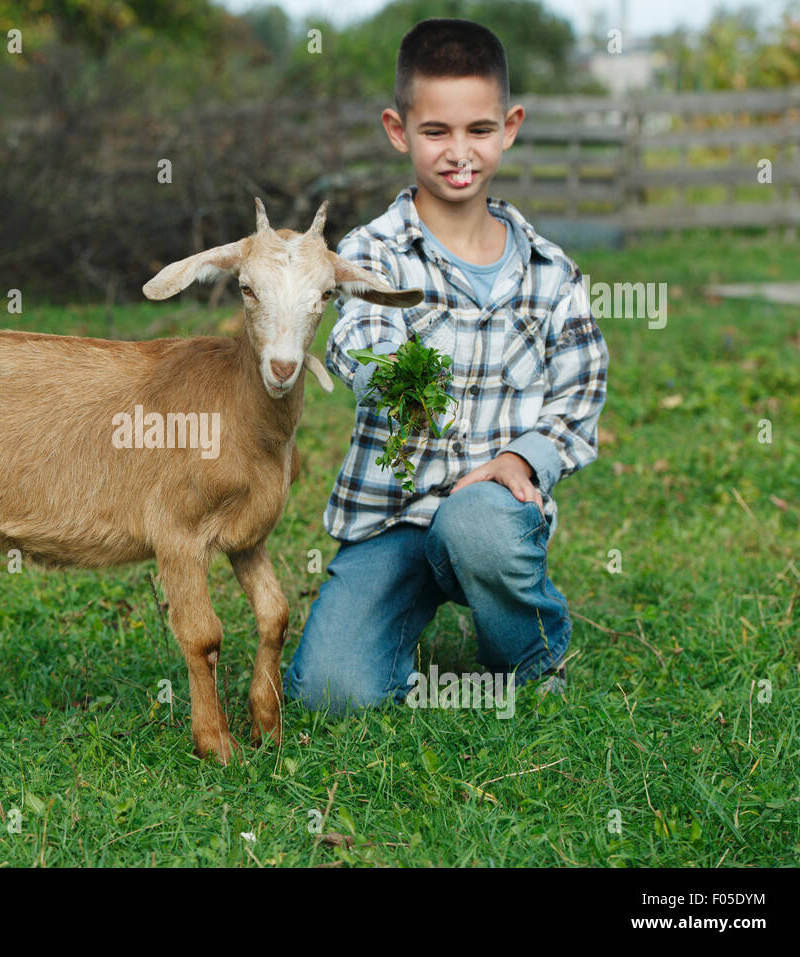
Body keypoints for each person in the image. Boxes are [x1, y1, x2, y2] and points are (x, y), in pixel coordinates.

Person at [284, 17, 609, 713]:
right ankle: (405, 663)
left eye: (479, 130)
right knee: (329, 695)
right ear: (399, 130)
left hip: (489, 513)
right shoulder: (371, 253)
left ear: (510, 125)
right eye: (436, 132)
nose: (459, 152)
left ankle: (528, 655)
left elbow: (582, 385)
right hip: (393, 517)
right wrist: (399, 372)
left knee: (478, 524)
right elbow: (356, 337)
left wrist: (524, 460)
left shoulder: (551, 270)